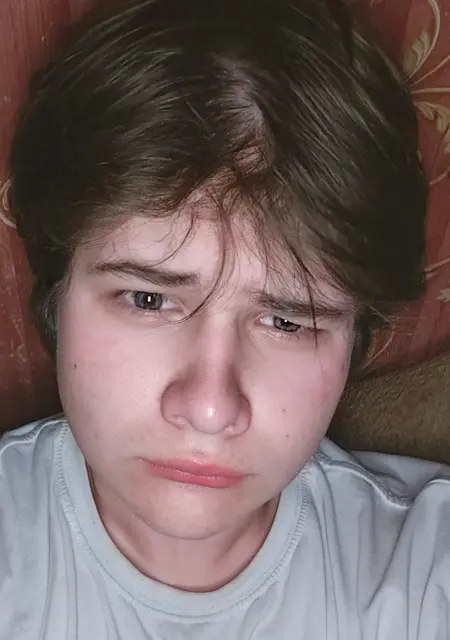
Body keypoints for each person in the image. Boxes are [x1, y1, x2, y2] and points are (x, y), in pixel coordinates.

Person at [1, 0, 449, 637]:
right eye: (148, 299)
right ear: (57, 295)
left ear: (356, 339)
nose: (210, 408)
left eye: (287, 322)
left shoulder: (425, 572)